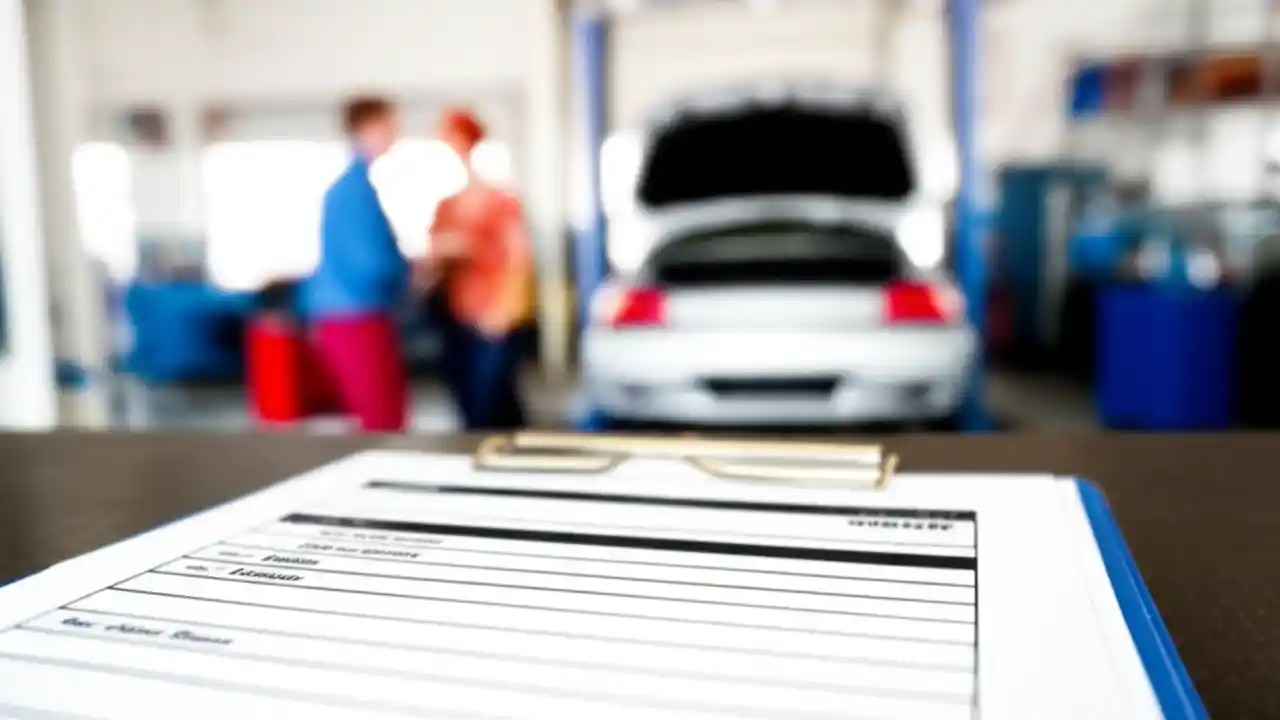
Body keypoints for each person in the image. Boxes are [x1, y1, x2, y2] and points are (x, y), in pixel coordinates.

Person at [305, 96, 409, 432]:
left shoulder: (358, 186)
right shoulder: (353, 191)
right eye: (389, 124)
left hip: (352, 316)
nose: (395, 132)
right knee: (382, 421)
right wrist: (410, 272)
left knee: (379, 416)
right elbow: (372, 267)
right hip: (356, 318)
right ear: (365, 128)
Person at [428, 109, 533, 430]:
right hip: (458, 314)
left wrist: (504, 310)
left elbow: (519, 258)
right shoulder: (445, 205)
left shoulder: (500, 199)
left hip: (494, 316)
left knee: (491, 400)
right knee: (469, 402)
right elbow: (436, 258)